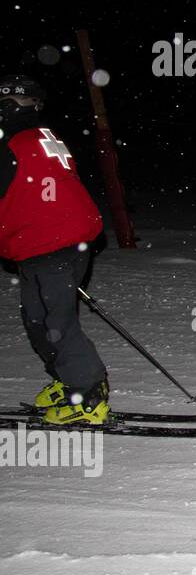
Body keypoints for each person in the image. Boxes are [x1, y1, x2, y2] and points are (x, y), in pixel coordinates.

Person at [0, 76, 109, 424]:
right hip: (56, 241)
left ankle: (89, 397)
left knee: (57, 323)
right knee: (38, 320)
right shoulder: (43, 136)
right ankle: (69, 381)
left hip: (50, 243)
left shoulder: (9, 143)